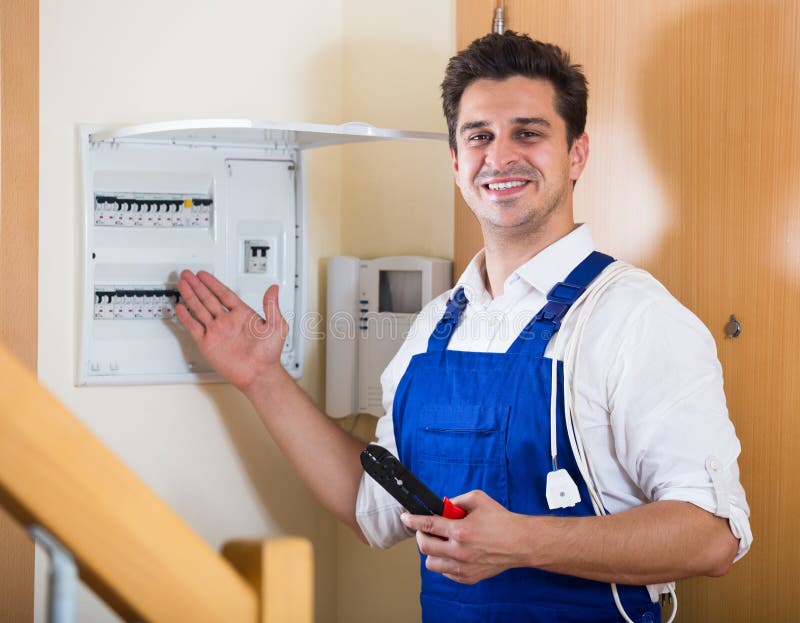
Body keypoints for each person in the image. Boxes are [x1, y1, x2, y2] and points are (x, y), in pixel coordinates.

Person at [176, 31, 751, 623]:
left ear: (577, 153)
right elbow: (372, 505)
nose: (499, 159)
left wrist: (523, 542)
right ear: (456, 161)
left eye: (528, 133)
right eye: (479, 137)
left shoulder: (634, 318)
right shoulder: (434, 329)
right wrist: (262, 378)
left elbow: (711, 536)